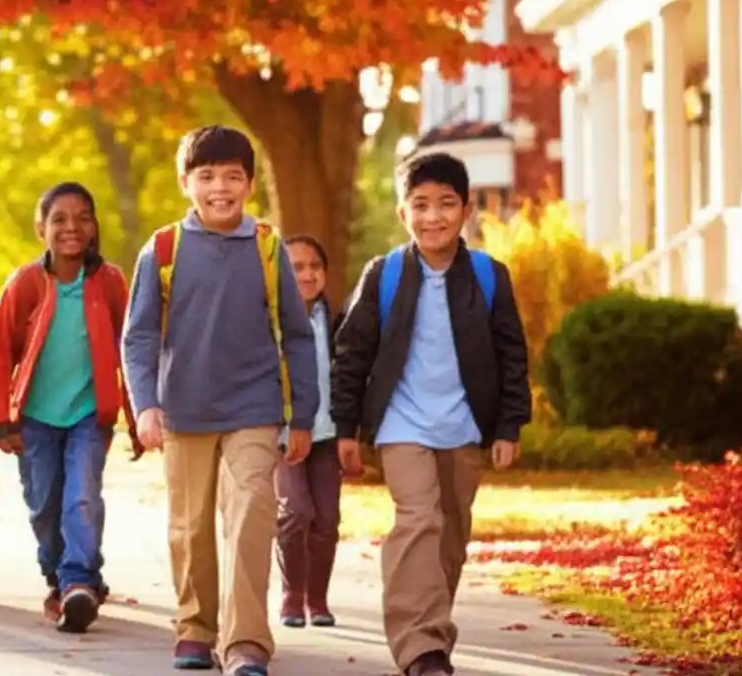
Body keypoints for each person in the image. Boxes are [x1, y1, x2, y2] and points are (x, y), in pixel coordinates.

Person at [122, 125, 319, 676]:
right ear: (187, 182)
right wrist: (145, 405)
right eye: (206, 176)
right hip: (183, 409)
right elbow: (137, 336)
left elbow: (297, 335)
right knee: (189, 527)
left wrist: (300, 414)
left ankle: (246, 641)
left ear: (250, 183)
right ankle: (195, 628)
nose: (220, 188)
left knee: (252, 513)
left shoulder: (266, 246)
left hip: (254, 407)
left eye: (233, 176)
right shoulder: (162, 249)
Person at [330, 152, 531, 676]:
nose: (433, 217)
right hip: (402, 421)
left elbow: (512, 356)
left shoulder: (488, 276)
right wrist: (346, 427)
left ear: (466, 210)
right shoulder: (386, 274)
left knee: (450, 534)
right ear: (403, 213)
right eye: (420, 205)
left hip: (464, 424)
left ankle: (432, 631)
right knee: (417, 520)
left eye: (446, 204)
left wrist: (508, 426)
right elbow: (352, 352)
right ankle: (420, 648)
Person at [0, 182, 141, 634]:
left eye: (82, 218)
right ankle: (60, 576)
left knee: (83, 496)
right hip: (34, 417)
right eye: (60, 219)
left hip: (90, 413)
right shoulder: (26, 283)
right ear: (41, 228)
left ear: (93, 227)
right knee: (43, 504)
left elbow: (131, 349)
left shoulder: (109, 282)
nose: (72, 227)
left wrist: (136, 413)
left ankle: (78, 583)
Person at [275, 234, 343, 630]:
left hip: (327, 432)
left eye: (314, 266)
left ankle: (317, 599)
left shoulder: (334, 320)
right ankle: (292, 596)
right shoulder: (271, 320)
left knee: (327, 518)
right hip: (283, 433)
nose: (307, 273)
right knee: (295, 512)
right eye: (296, 266)